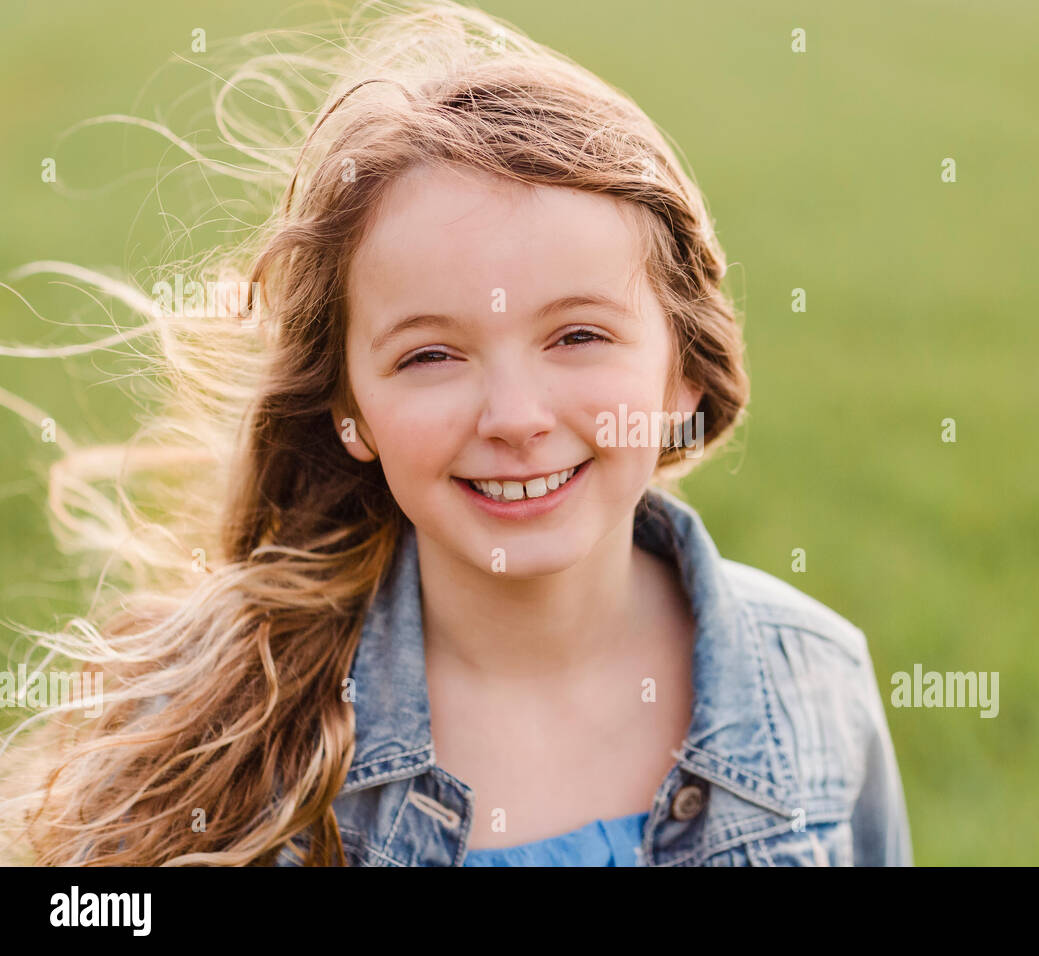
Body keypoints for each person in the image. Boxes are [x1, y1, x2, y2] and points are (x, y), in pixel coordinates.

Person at [0, 0, 910, 866]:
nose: (514, 419)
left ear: (683, 372)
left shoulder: (816, 684)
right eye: (431, 355)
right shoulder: (218, 732)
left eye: (579, 336)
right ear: (347, 406)